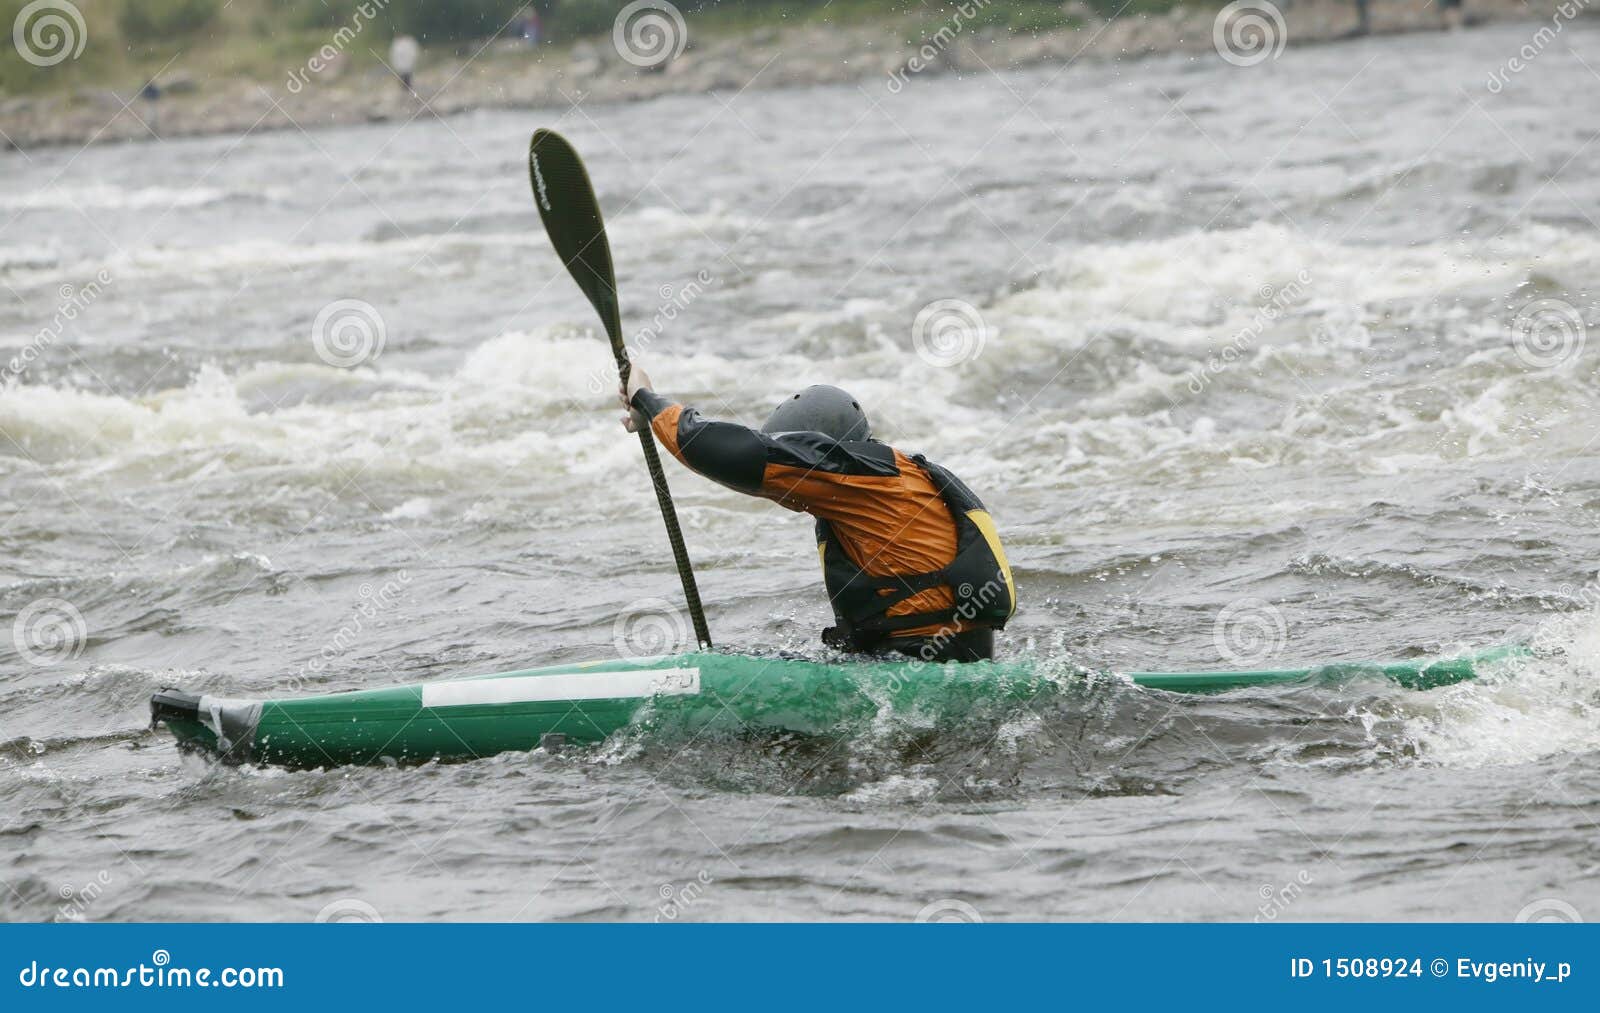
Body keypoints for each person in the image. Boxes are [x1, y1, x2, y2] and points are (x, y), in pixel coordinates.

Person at [620, 368, 1015, 662]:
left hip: (922, 657)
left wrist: (649, 399)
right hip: (949, 652)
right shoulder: (889, 474)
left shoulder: (854, 474)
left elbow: (718, 450)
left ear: (822, 447)